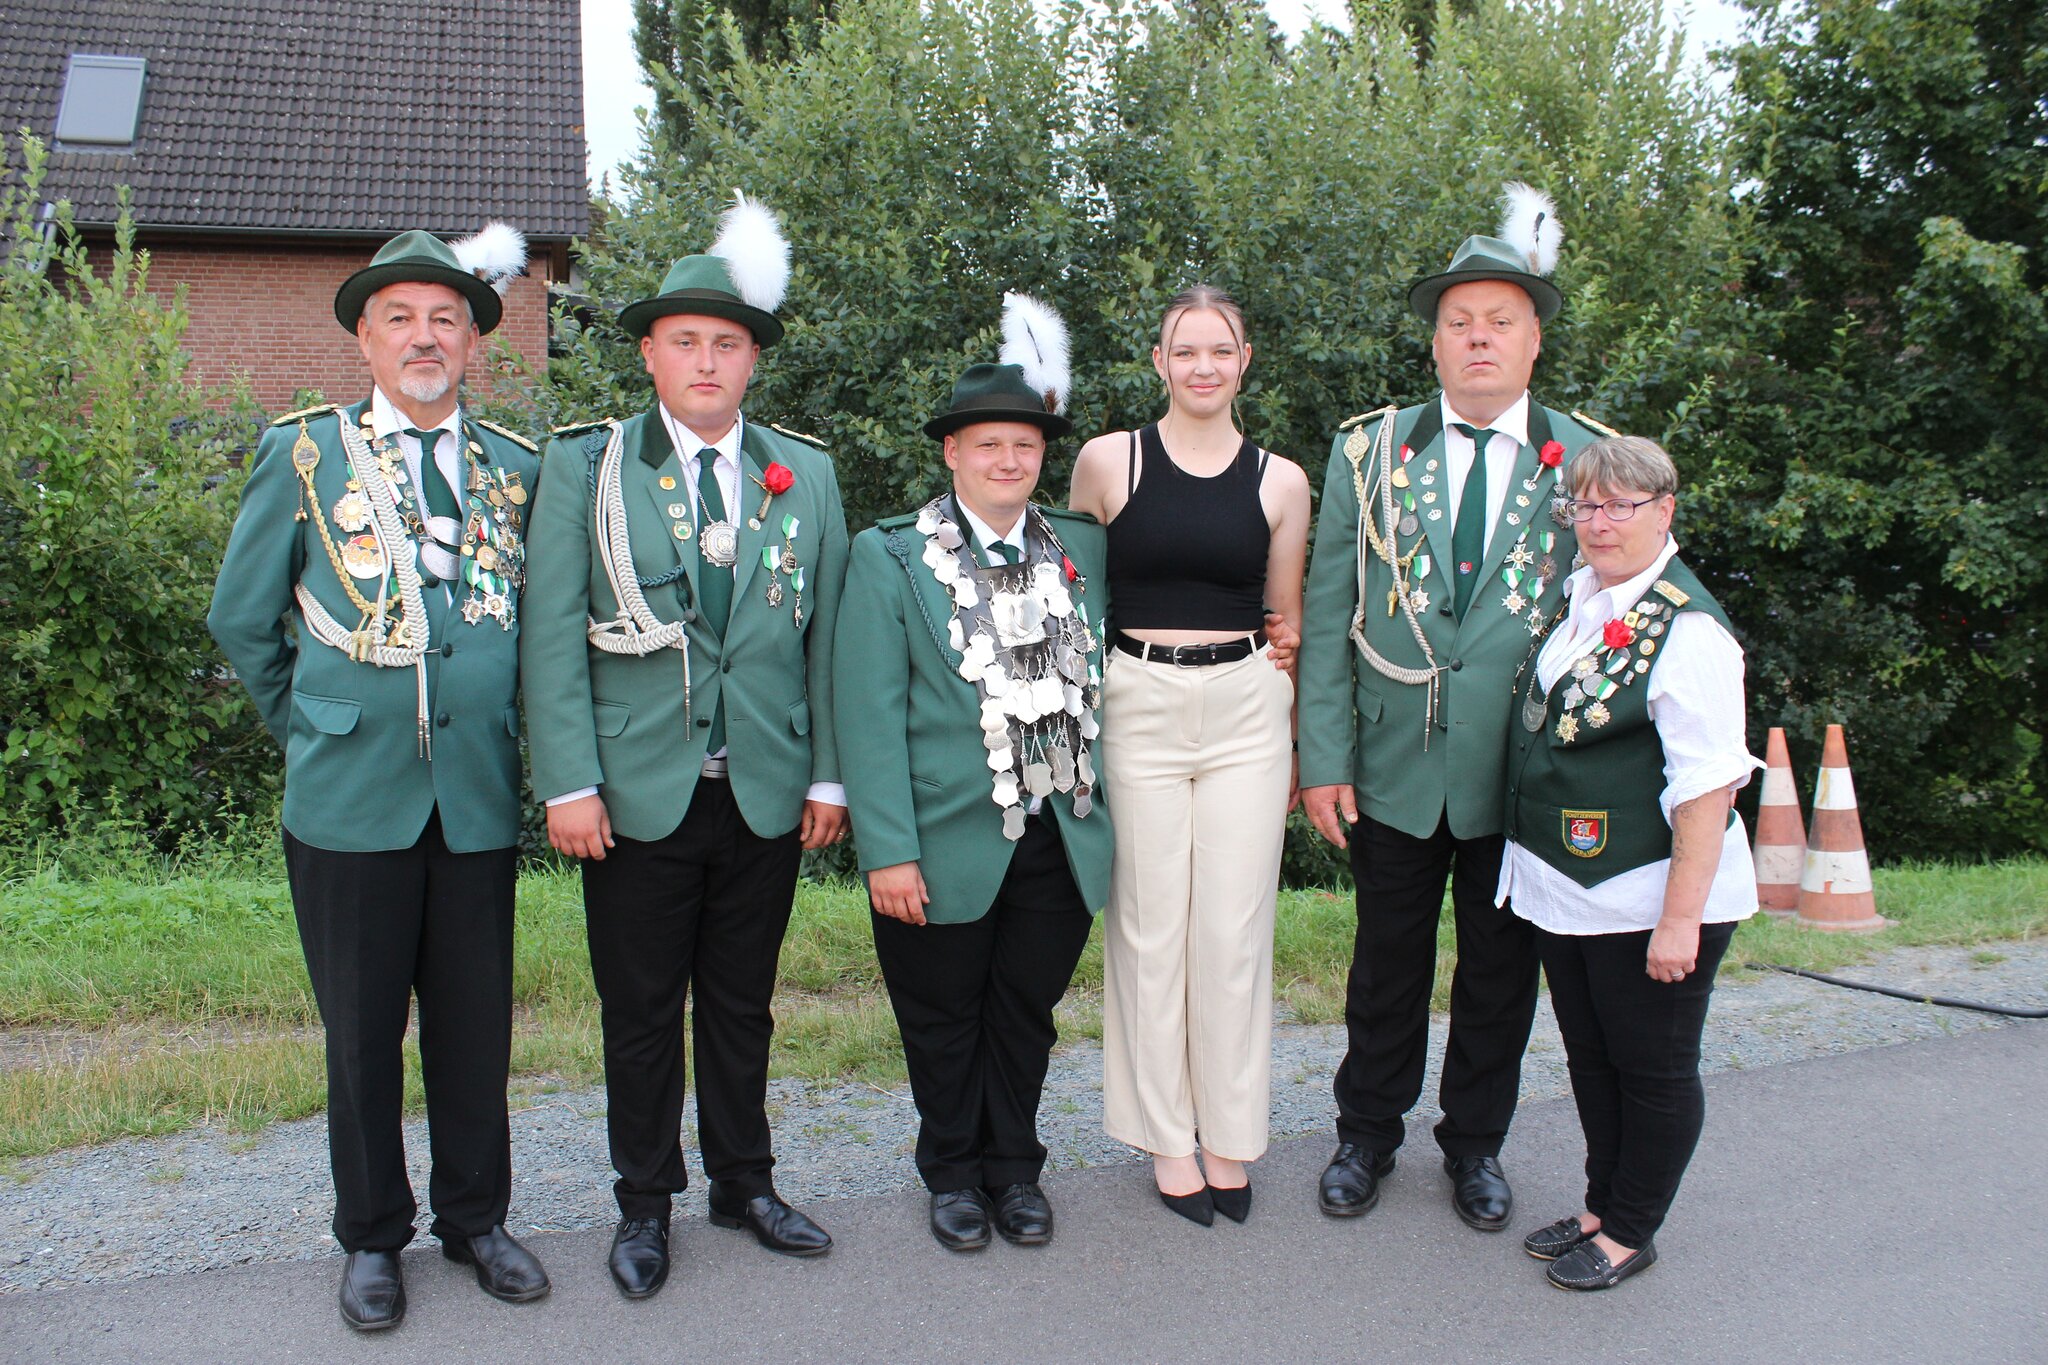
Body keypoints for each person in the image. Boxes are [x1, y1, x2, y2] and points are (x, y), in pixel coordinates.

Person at [208, 225, 549, 1330]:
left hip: (475, 798)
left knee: (473, 1026)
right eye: (399, 317)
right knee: (360, 1035)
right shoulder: (304, 452)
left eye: (444, 318)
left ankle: (475, 1221)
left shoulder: (516, 468)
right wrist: (315, 727)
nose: (424, 336)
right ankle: (370, 1237)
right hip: (349, 800)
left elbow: (529, 632)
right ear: (363, 335)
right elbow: (242, 618)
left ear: (472, 340)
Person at [519, 194, 850, 1298]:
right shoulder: (589, 466)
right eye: (685, 341)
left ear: (752, 358)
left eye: (727, 342)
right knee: (642, 1007)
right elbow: (552, 636)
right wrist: (566, 780)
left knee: (745, 1000)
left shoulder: (805, 470)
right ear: (650, 355)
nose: (706, 360)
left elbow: (826, 639)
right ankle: (642, 1202)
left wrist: (827, 772)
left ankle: (743, 1183)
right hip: (635, 785)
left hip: (761, 781)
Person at [1297, 184, 1614, 1232]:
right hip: (1392, 763)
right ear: (1433, 343)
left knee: (1498, 976)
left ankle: (1473, 1146)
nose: (1476, 340)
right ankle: (1364, 1136)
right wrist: (1322, 759)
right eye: (1457, 324)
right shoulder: (1366, 452)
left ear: (1533, 343)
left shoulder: (1589, 463)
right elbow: (1329, 612)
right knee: (1384, 963)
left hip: (1521, 770)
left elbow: (1619, 622)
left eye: (1499, 323)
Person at [835, 294, 1111, 1252]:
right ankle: (952, 1173)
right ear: (951, 452)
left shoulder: (1083, 550)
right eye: (987, 444)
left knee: (1025, 1014)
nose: (1008, 461)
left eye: (1025, 447)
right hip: (941, 837)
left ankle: (1014, 1170)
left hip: (1060, 831)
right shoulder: (891, 558)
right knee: (944, 1018)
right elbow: (865, 715)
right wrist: (887, 852)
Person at [1067, 285, 1309, 1225]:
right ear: (1159, 361)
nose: (1202, 366)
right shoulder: (1106, 463)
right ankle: (1167, 1136)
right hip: (1138, 699)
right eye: (1185, 350)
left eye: (1221, 349)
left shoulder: (1282, 480)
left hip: (1247, 703)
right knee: (1149, 926)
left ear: (1245, 360)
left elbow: (1284, 617)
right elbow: (1071, 593)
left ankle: (1229, 1134)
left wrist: (1289, 725)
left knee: (1234, 933)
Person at [1499, 434, 1760, 1290]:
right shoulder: (1584, 597)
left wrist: (1681, 918)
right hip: (1575, 891)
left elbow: (1705, 790)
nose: (1599, 522)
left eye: (1622, 505)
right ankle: (1603, 1203)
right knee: (1592, 1057)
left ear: (1665, 510)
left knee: (1652, 1067)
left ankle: (1633, 1228)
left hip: (1651, 896)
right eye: (1585, 504)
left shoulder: (1691, 630)